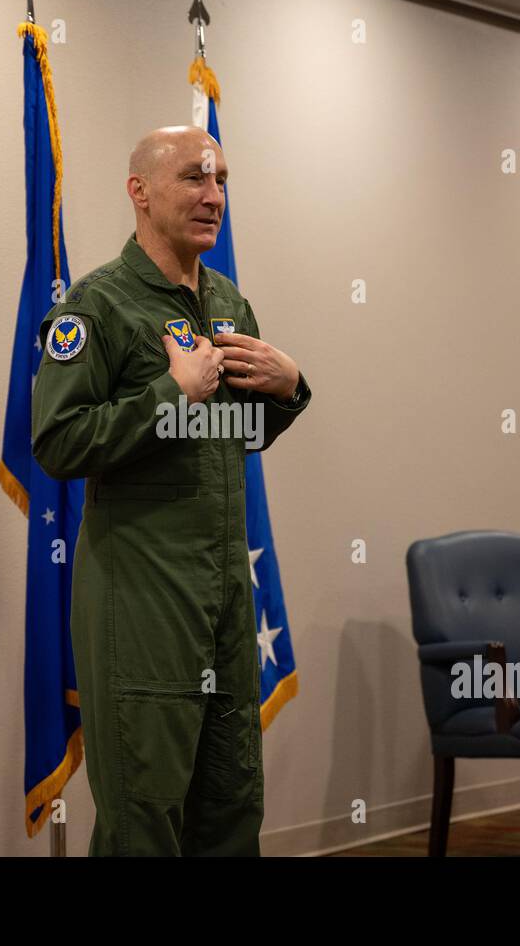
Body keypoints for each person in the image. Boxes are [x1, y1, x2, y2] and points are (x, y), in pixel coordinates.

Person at [30, 125, 311, 855]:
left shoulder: (227, 303)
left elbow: (234, 434)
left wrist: (287, 391)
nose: (213, 197)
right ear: (140, 192)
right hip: (142, 602)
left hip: (223, 596)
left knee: (230, 807)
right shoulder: (96, 307)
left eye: (220, 181)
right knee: (145, 821)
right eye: (193, 178)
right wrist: (170, 393)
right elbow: (58, 443)